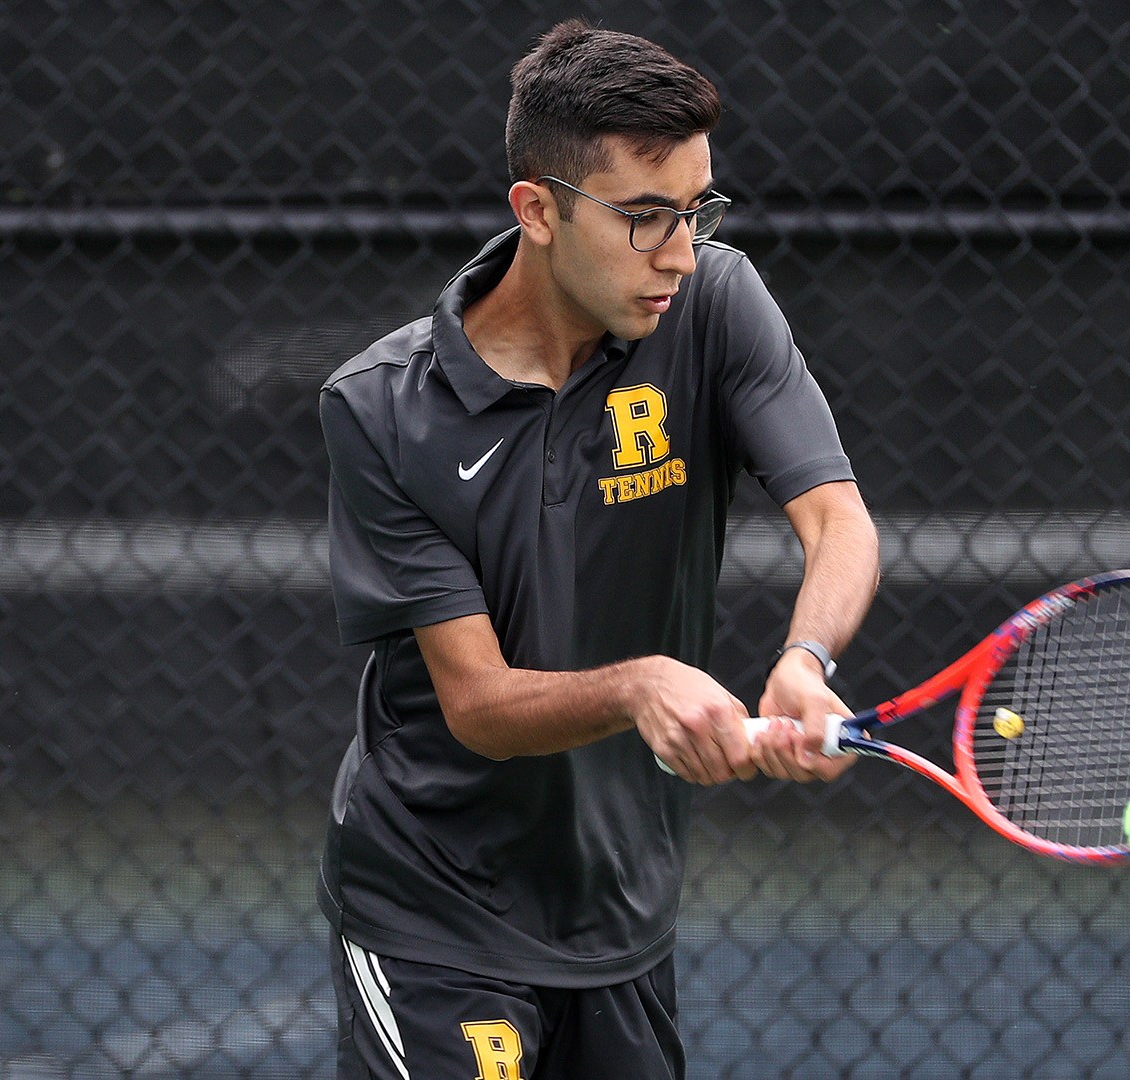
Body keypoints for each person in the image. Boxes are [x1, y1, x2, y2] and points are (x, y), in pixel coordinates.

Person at [317, 19, 880, 1080]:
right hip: (437, 906)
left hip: (618, 905)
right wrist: (640, 687)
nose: (680, 248)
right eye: (646, 216)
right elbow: (478, 705)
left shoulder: (714, 303)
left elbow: (836, 519)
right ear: (537, 209)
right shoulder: (381, 411)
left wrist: (807, 661)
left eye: (697, 209)